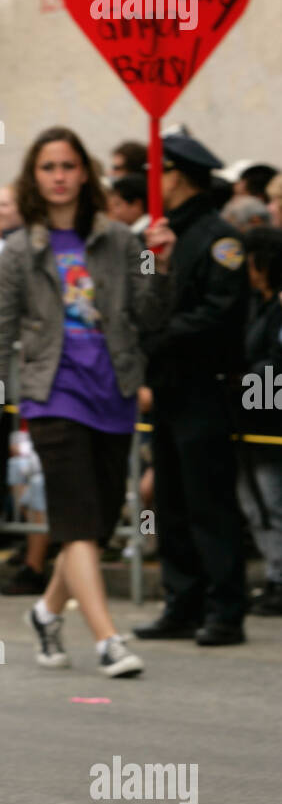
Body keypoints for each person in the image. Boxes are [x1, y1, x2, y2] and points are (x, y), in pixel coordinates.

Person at [0, 125, 155, 678]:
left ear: (85, 173)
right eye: (48, 167)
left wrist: (157, 262)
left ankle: (47, 612)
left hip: (114, 392)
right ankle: (108, 640)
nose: (59, 176)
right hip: (53, 396)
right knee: (76, 522)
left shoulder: (119, 239)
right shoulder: (21, 249)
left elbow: (149, 314)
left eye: (69, 166)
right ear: (34, 177)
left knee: (90, 525)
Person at [138, 134, 251, 644]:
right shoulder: (159, 235)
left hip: (206, 385)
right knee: (171, 498)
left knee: (209, 501)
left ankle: (225, 609)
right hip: (167, 384)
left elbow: (221, 313)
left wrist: (162, 337)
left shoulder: (219, 237)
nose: (149, 180)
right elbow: (143, 299)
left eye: (156, 170)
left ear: (178, 175)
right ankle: (181, 601)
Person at [237, 226, 282, 615]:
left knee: (272, 503)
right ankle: (273, 575)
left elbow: (273, 365)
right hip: (252, 422)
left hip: (271, 424)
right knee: (257, 505)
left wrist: (244, 381)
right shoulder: (254, 304)